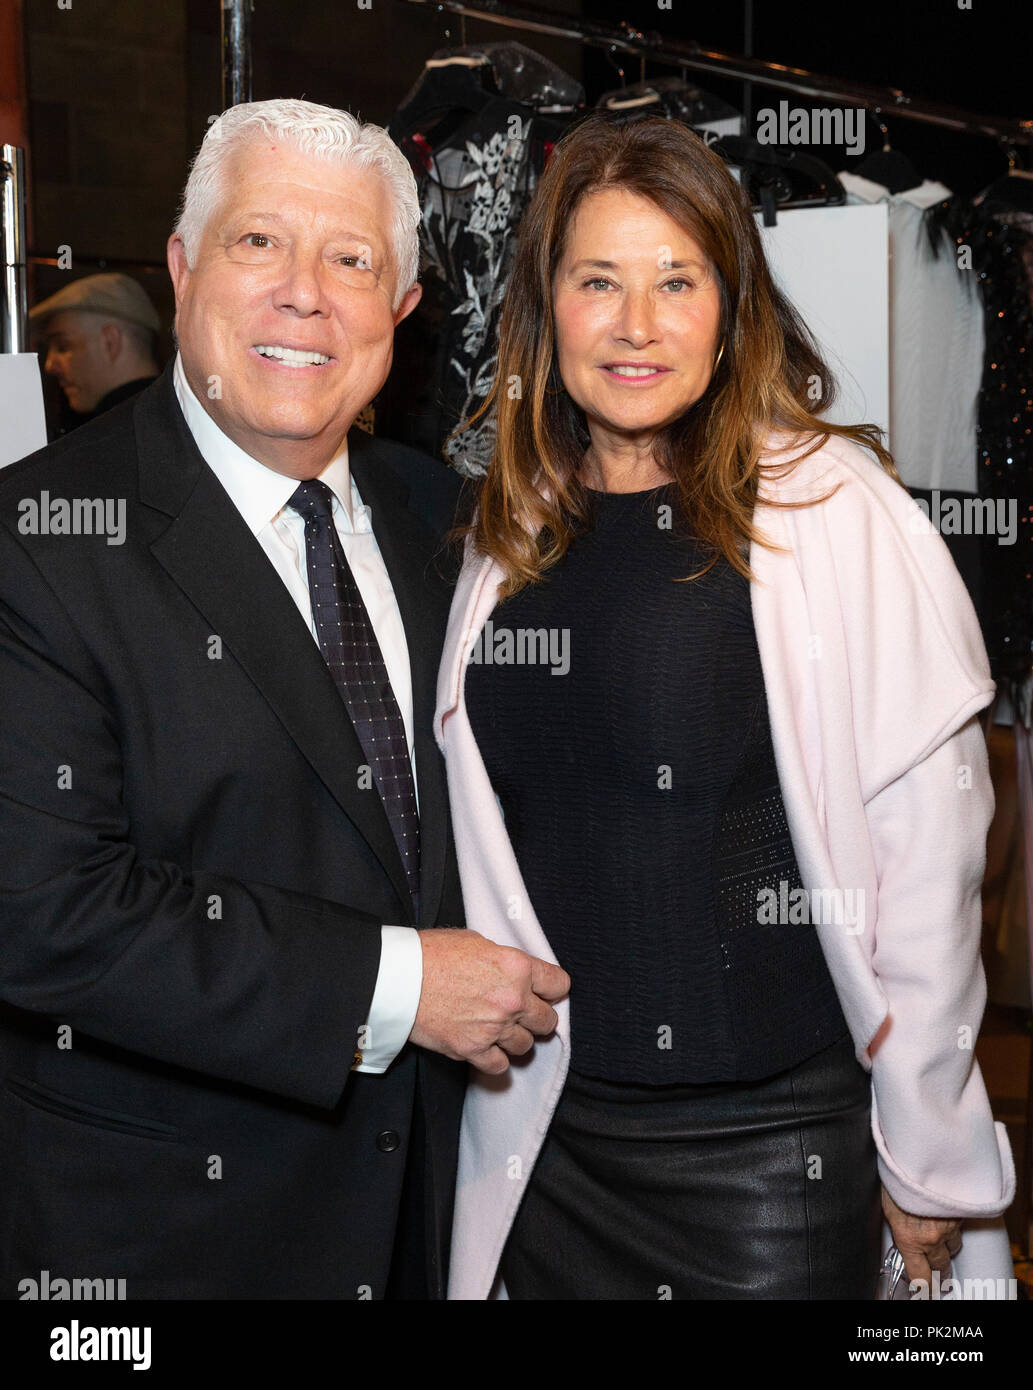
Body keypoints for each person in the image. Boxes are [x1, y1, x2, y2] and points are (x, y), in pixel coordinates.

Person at [435, 114, 1016, 1300]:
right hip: (547, 1142)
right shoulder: (513, 528)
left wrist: (925, 1157)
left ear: (730, 306)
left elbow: (931, 864)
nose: (635, 323)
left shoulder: (829, 508)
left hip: (767, 1154)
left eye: (675, 280)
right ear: (547, 310)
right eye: (598, 280)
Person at [0, 98, 566, 1301]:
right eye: (261, 242)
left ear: (403, 313)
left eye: (351, 259)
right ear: (181, 265)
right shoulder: (40, 542)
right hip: (163, 1256)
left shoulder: (444, 523)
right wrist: (405, 984)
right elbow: (47, 916)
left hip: (427, 1227)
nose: (305, 293)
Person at [30, 272, 162, 426]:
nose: (50, 365)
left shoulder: (113, 435)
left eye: (63, 346)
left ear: (110, 342)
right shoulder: (167, 420)